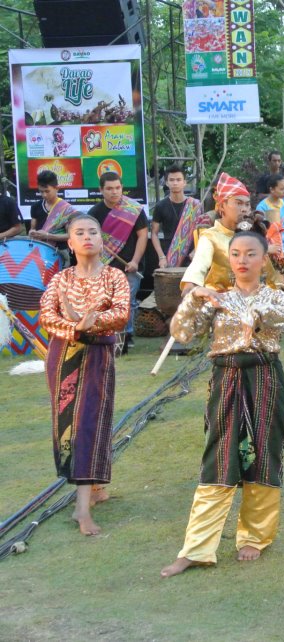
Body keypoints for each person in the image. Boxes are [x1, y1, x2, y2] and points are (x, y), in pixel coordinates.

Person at [161, 231, 284, 578]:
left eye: (250, 253)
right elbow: (182, 333)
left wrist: (256, 312)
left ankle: (255, 537)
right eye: (236, 253)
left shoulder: (276, 297)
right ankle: (196, 549)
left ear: (263, 260)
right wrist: (196, 298)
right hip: (225, 378)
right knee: (219, 457)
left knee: (263, 454)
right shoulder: (217, 298)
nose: (242, 260)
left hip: (265, 378)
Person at [39, 214, 130, 536]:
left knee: (91, 420)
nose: (88, 236)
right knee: (68, 425)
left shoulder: (114, 277)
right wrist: (76, 326)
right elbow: (46, 315)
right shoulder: (61, 278)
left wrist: (94, 322)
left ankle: (86, 500)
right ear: (70, 241)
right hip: (63, 355)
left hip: (97, 355)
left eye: (93, 231)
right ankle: (86, 498)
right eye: (80, 232)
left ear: (102, 239)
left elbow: (121, 314)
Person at [182, 173, 282, 292]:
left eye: (247, 204)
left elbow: (270, 277)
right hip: (221, 302)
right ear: (221, 206)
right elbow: (197, 267)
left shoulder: (252, 236)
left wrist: (278, 286)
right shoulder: (210, 237)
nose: (244, 209)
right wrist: (190, 287)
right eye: (238, 203)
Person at [87, 171, 147, 354]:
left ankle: (126, 337)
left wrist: (135, 261)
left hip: (130, 266)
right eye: (109, 188)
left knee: (127, 302)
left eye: (118, 188)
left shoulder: (133, 209)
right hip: (105, 267)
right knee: (107, 303)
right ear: (101, 190)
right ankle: (109, 336)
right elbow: (91, 241)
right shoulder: (94, 213)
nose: (114, 192)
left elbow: (143, 236)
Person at [152, 165, 205, 269]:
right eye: (171, 180)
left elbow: (203, 231)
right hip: (170, 257)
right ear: (167, 183)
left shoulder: (195, 205)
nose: (175, 183)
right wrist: (161, 257)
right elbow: (154, 233)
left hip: (192, 258)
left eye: (178, 179)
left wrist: (196, 251)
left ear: (184, 182)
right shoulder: (160, 206)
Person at [29, 170, 76, 261]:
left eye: (47, 191)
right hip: (39, 253)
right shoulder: (35, 207)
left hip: (60, 254)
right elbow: (32, 228)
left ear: (56, 188)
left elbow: (70, 235)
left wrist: (47, 236)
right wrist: (32, 232)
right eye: (41, 192)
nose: (44, 195)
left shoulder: (66, 209)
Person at [256, 174, 284, 261]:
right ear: (272, 189)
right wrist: (278, 252)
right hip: (273, 251)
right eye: (282, 189)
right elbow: (266, 233)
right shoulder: (262, 207)